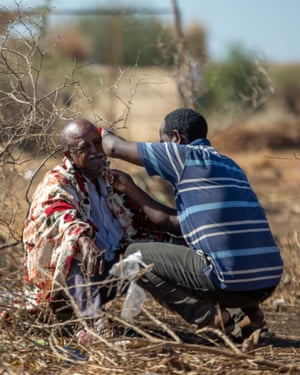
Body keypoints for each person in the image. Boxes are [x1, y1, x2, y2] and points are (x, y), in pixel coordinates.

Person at [101, 107, 284, 341]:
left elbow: (113, 147)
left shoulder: (183, 155)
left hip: (233, 283)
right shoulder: (229, 165)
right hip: (267, 281)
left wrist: (95, 131)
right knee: (209, 246)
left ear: (177, 138)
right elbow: (174, 223)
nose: (161, 148)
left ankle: (210, 319)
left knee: (135, 256)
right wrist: (131, 189)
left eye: (163, 142)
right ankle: (251, 319)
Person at [23, 118, 172, 332]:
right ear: (69, 156)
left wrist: (131, 190)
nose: (95, 150)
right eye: (85, 147)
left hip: (115, 266)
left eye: (97, 142)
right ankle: (93, 325)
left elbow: (145, 220)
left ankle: (210, 315)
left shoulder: (111, 179)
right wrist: (81, 238)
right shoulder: (57, 181)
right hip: (72, 283)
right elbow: (58, 212)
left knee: (160, 251)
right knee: (73, 249)